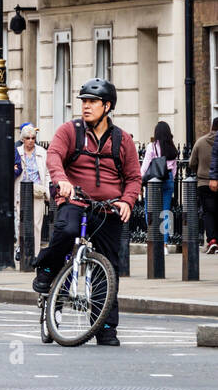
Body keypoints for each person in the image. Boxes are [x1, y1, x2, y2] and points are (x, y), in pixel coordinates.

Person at [32, 79, 141, 347]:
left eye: (92, 102)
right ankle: (46, 269)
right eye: (83, 101)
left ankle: (105, 327)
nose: (85, 106)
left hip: (108, 208)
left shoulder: (122, 139)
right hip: (75, 201)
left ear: (107, 106)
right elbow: (54, 157)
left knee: (109, 267)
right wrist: (62, 181)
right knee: (66, 231)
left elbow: (134, 176)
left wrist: (127, 201)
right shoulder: (69, 131)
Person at [14, 123, 49, 253]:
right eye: (28, 138)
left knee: (36, 224)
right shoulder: (17, 152)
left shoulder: (41, 152)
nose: (30, 141)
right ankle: (22, 250)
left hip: (37, 192)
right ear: (22, 139)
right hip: (21, 192)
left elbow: (47, 172)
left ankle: (35, 253)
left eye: (33, 138)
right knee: (21, 223)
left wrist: (46, 191)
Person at [143, 121, 179, 241]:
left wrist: (139, 180)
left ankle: (153, 238)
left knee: (150, 209)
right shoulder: (172, 148)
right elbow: (174, 169)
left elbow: (145, 166)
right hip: (168, 179)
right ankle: (164, 242)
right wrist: (171, 180)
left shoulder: (152, 147)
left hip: (154, 180)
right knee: (166, 211)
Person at [200, 117, 218, 252]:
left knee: (208, 212)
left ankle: (212, 240)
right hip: (211, 179)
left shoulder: (201, 142)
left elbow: (192, 162)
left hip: (204, 182)